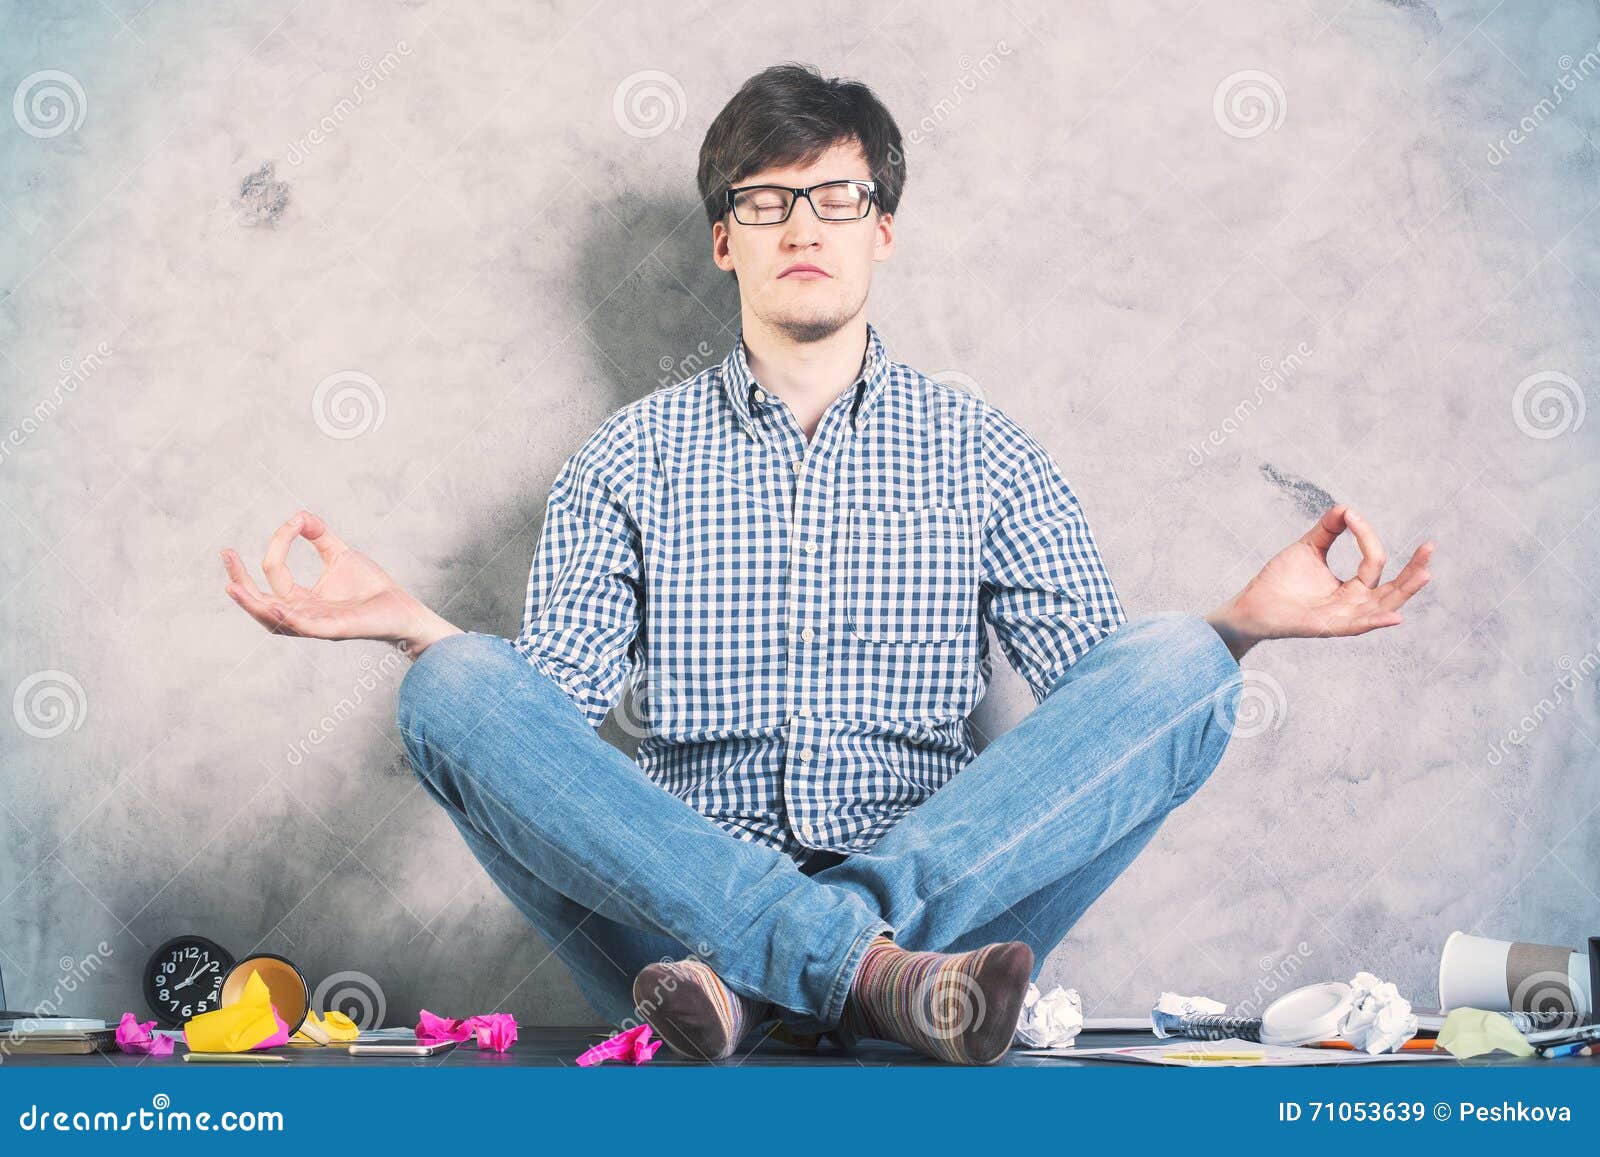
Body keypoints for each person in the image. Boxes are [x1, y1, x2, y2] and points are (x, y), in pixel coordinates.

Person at [221, 63, 1434, 1065]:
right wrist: (418, 632)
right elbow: (551, 728)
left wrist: (1233, 629)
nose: (802, 225)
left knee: (1179, 662)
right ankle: (861, 973)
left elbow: (1095, 720)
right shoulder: (622, 461)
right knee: (455, 688)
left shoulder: (985, 452)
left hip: (948, 920)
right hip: (667, 923)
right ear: (721, 240)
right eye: (766, 201)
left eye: (837, 198)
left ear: (885, 230)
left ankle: (811, 964)